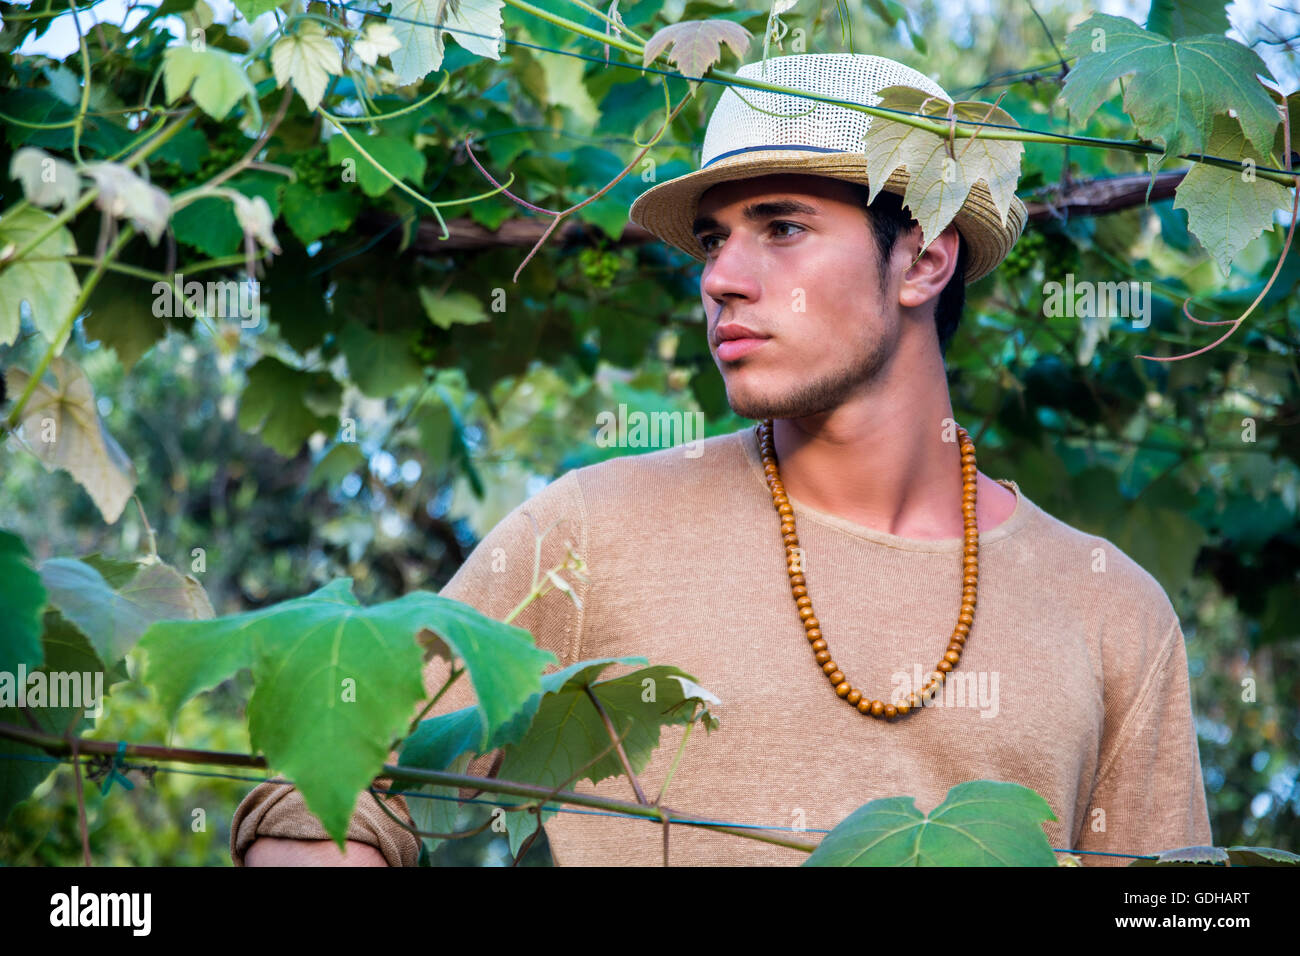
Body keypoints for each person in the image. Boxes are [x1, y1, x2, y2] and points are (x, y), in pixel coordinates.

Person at [236, 53, 1212, 867]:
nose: (719, 279)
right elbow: (326, 794)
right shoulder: (591, 530)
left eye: (781, 227)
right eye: (712, 239)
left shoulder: (1109, 610)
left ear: (922, 259)